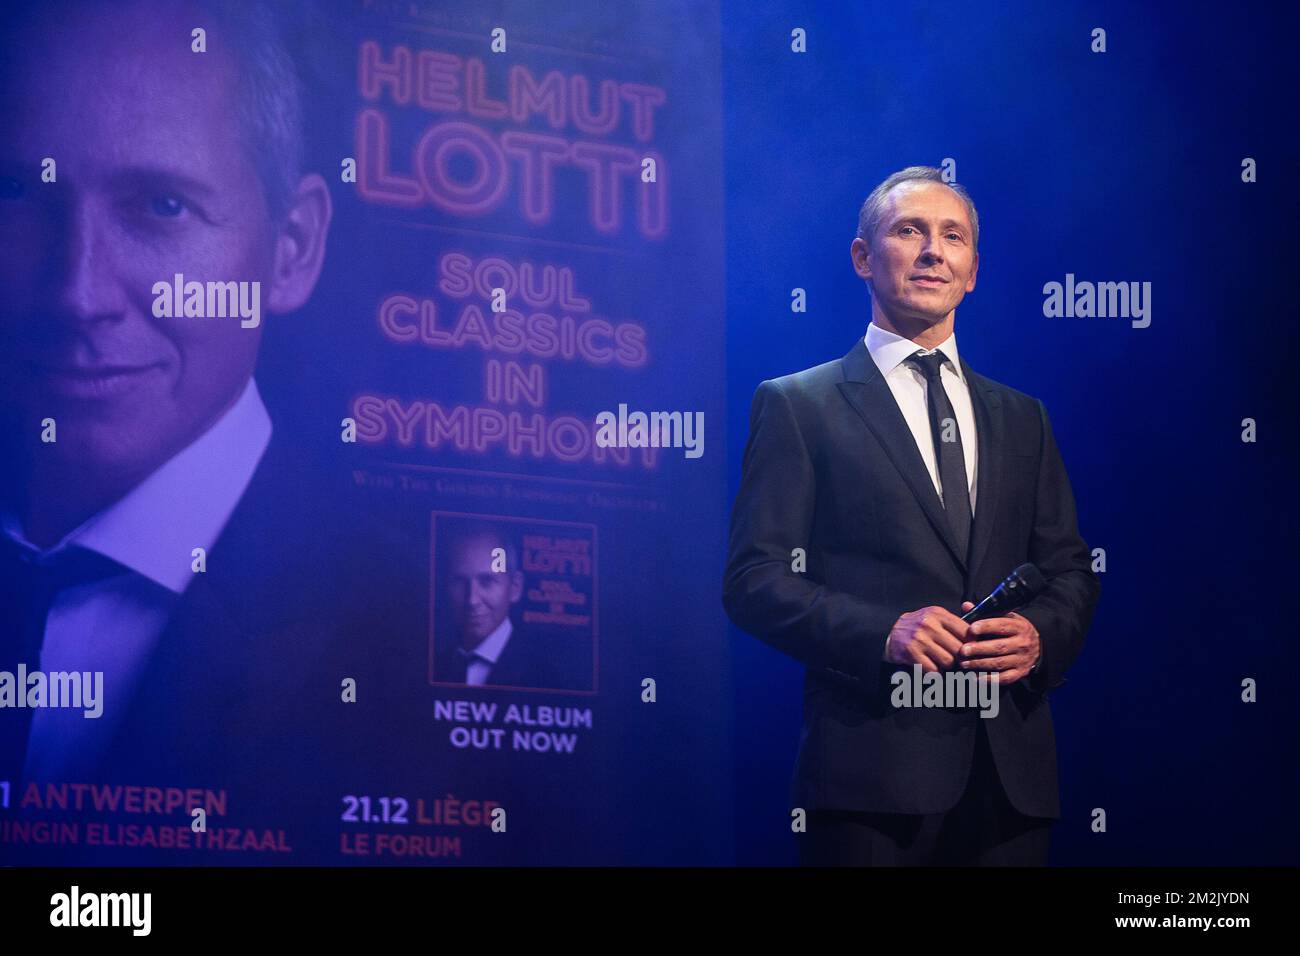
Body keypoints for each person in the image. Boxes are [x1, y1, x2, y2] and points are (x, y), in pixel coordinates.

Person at [0, 0, 415, 864]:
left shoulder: (411, 639)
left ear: (291, 249)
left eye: (159, 205)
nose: (76, 292)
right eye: (18, 195)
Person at [723, 166, 1100, 866]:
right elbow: (754, 579)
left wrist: (1039, 636)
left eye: (951, 236)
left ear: (973, 270)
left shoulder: (1024, 419)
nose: (933, 251)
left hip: (1009, 784)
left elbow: (1070, 571)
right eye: (910, 231)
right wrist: (884, 632)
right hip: (869, 781)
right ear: (863, 257)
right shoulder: (799, 405)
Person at [433, 523, 590, 692]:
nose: (472, 600)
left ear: (515, 587)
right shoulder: (436, 666)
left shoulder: (551, 673)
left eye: (487, 582)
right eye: (460, 582)